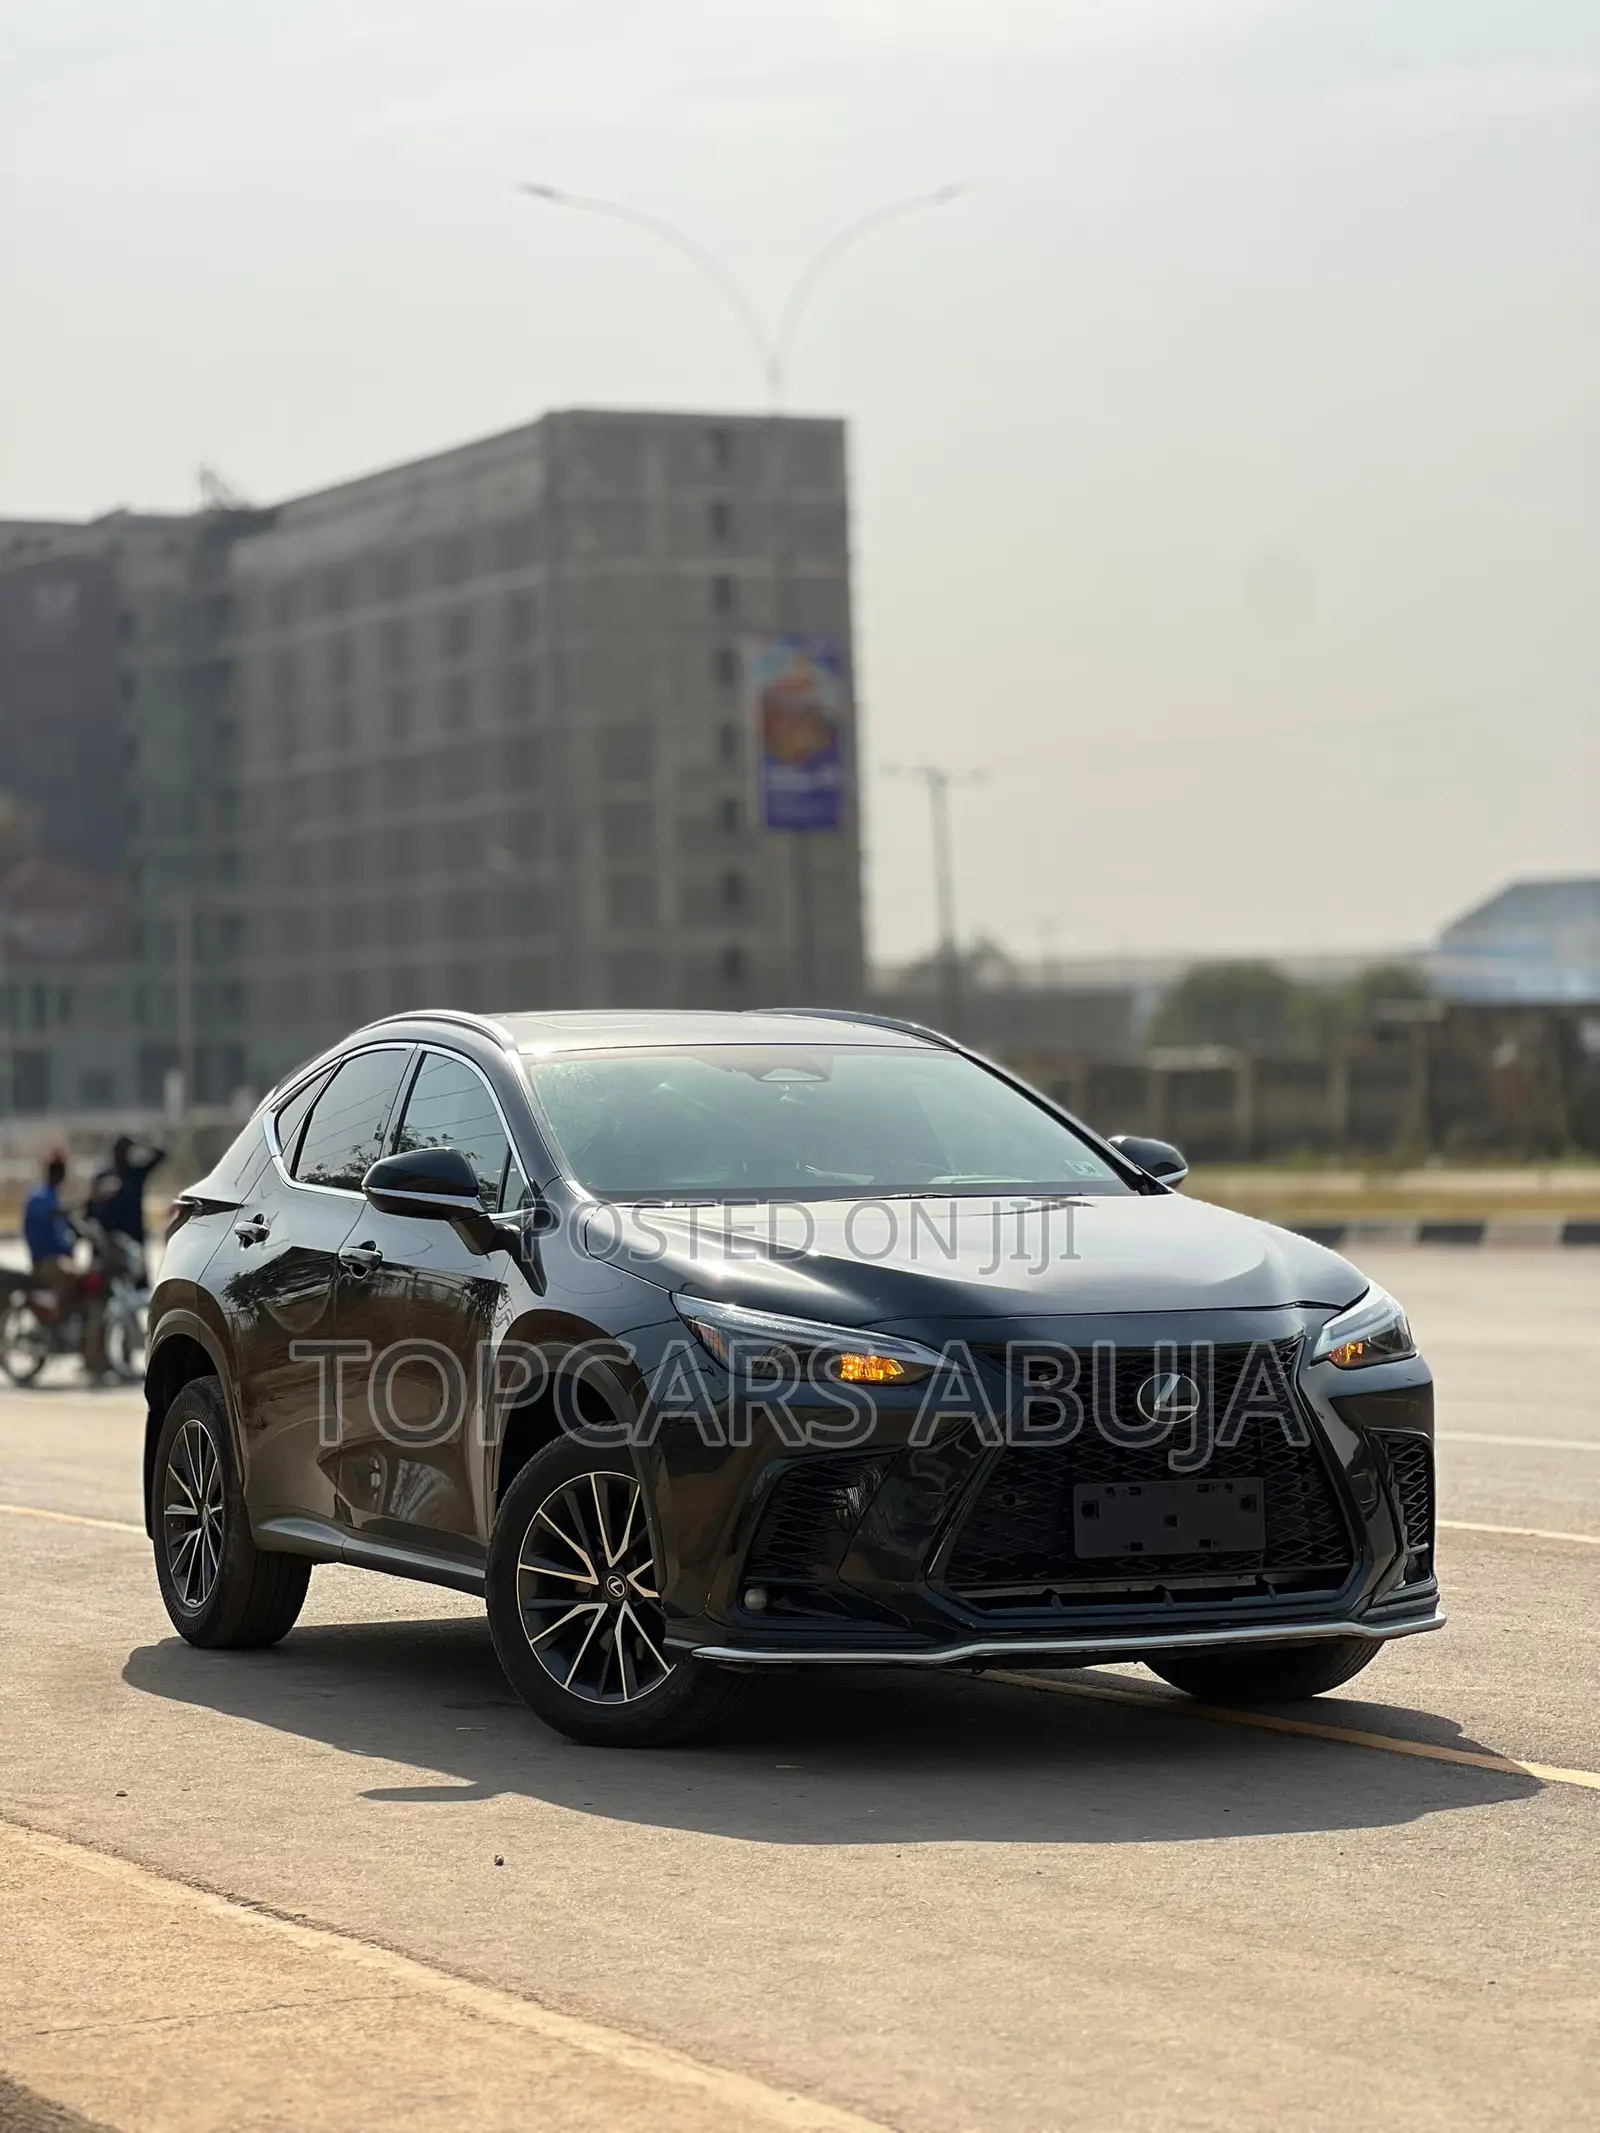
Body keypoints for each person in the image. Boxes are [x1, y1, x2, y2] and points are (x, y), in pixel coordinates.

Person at [23, 1149, 105, 1376]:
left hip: (61, 1259)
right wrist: (82, 1204)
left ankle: (71, 1321)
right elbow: (55, 1213)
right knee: (76, 1275)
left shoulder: (54, 1197)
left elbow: (66, 1224)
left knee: (87, 1277)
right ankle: (56, 1314)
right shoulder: (40, 1196)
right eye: (58, 1171)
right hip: (47, 1262)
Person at [87, 1134, 166, 1278]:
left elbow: (162, 1154)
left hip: (133, 1241)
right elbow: (89, 1208)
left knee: (137, 1286)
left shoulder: (135, 1174)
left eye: (125, 1150)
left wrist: (142, 1142)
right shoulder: (103, 1177)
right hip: (108, 1243)